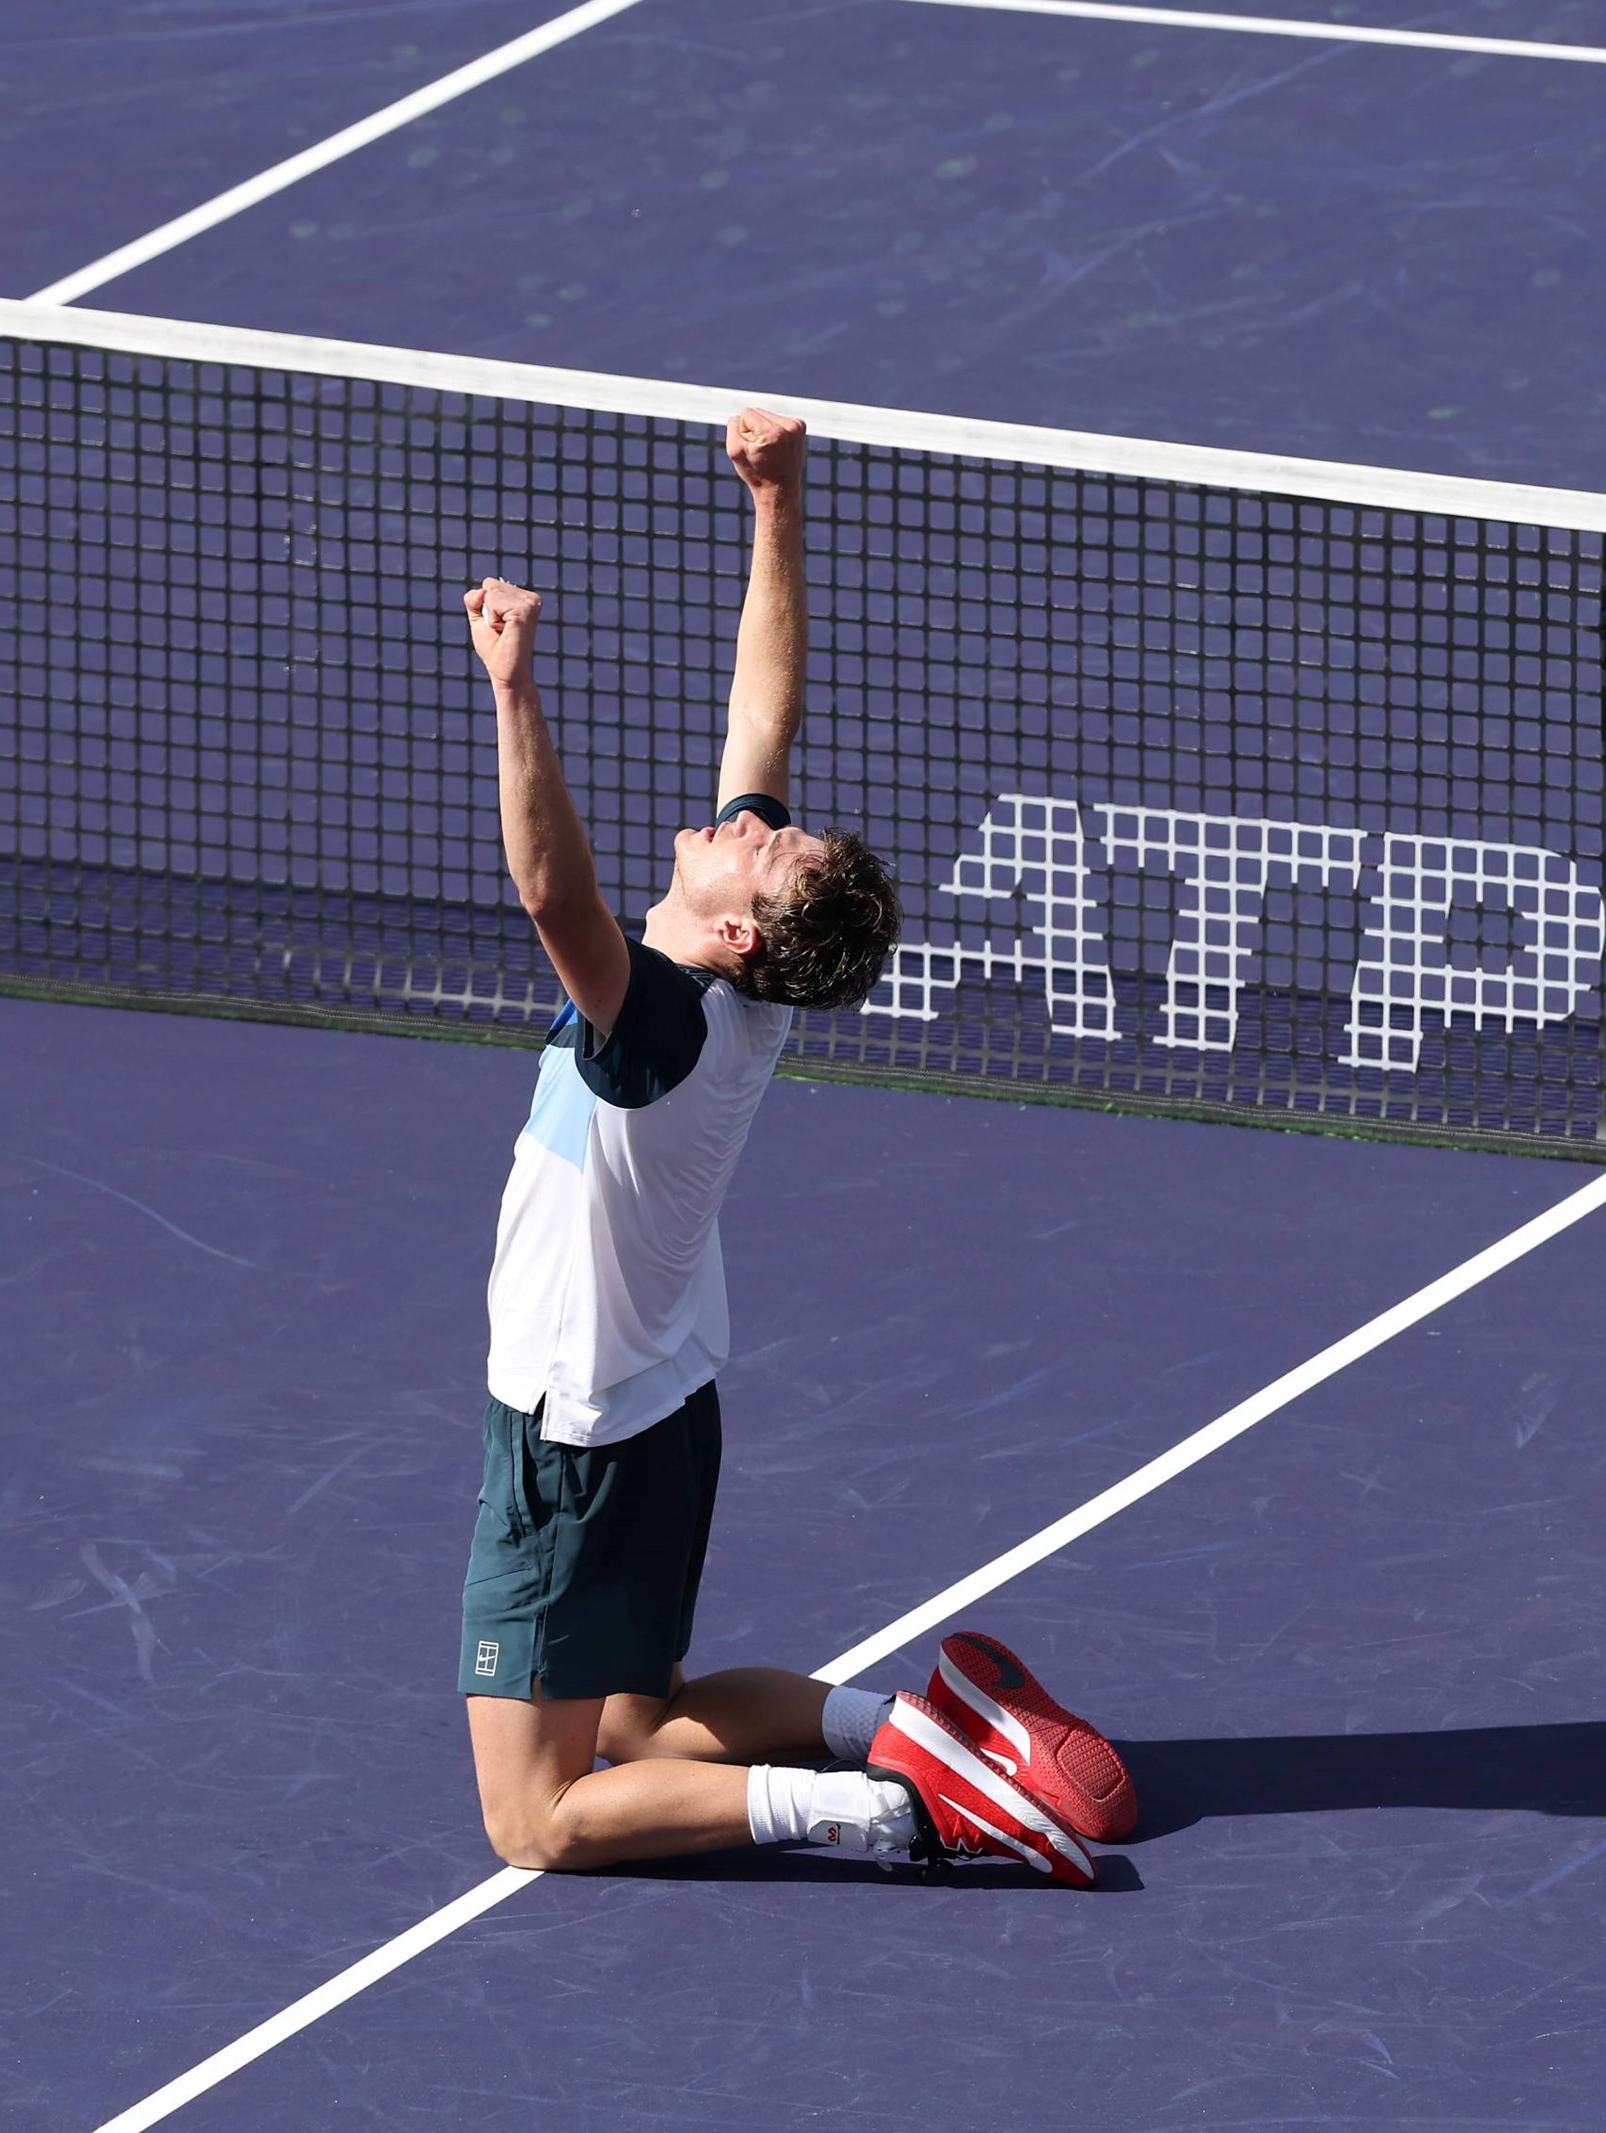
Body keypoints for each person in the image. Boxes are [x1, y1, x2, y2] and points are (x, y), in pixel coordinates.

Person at [454, 406, 1136, 1883]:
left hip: (575, 1434)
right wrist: (778, 500)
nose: (749, 822)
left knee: (536, 1819)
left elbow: (552, 896)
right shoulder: (731, 993)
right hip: (671, 1398)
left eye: (765, 844)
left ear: (744, 927)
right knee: (642, 1722)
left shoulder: (661, 1033)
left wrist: (517, 693)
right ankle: (910, 1725)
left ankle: (866, 1809)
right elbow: (766, 712)